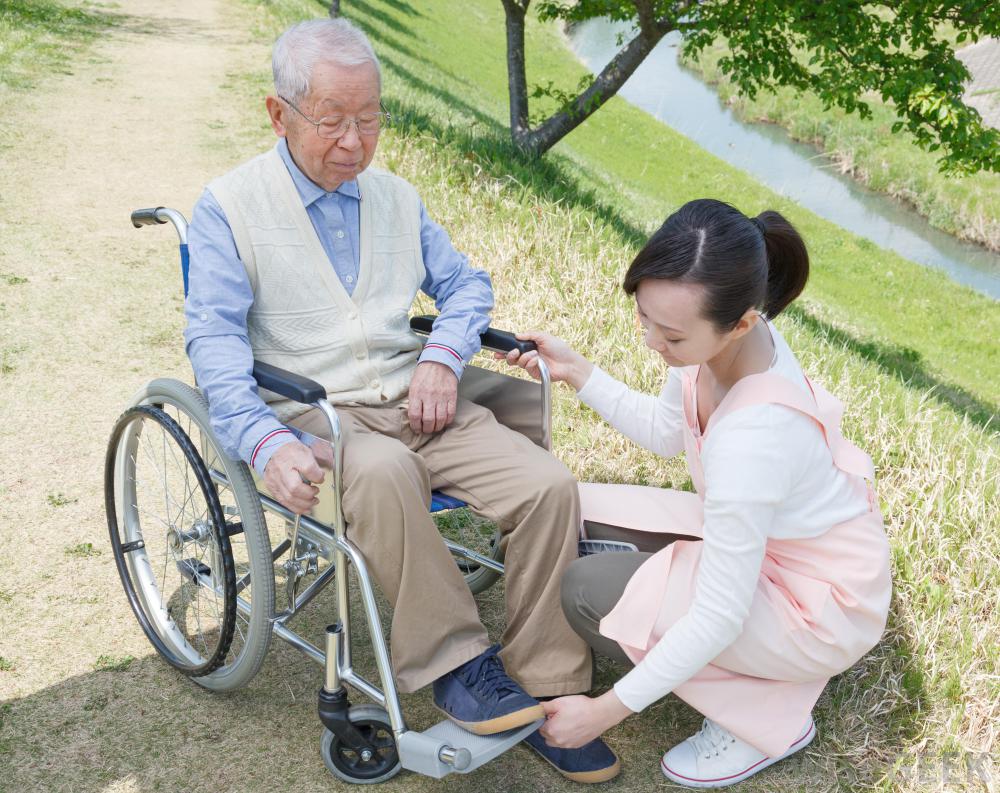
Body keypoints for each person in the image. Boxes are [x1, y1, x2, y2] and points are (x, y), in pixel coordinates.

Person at [183, 17, 618, 782]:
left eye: (371, 118)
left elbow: (466, 285)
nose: (354, 141)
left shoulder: (394, 197)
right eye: (332, 121)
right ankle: (459, 664)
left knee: (550, 486)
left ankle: (551, 690)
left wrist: (445, 358)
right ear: (278, 115)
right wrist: (262, 442)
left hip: (421, 402)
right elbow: (214, 344)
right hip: (316, 415)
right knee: (382, 473)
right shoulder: (230, 208)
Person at [500, 199, 892, 787]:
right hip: (767, 550)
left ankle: (763, 717)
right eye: (645, 318)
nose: (654, 341)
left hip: (817, 607)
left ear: (742, 321)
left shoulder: (754, 438)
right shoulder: (711, 342)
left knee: (586, 592)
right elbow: (665, 432)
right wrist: (578, 371)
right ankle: (742, 663)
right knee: (559, 511)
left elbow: (718, 617)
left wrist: (603, 712)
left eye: (672, 334)